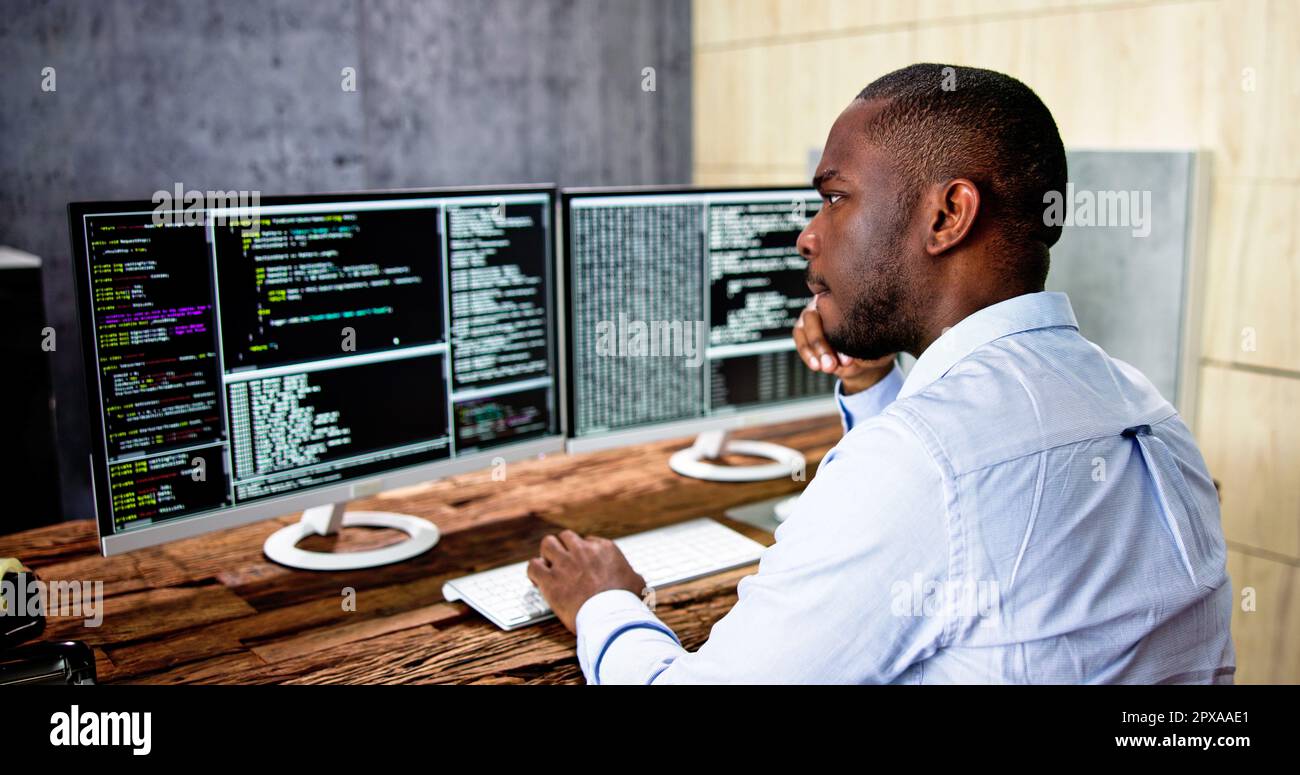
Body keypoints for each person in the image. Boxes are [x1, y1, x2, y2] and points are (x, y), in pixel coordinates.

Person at [526, 63, 1235, 684]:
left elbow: (934, 489)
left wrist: (603, 602)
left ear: (948, 215)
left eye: (835, 197)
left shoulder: (919, 467)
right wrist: (872, 385)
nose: (807, 233)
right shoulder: (1150, 415)